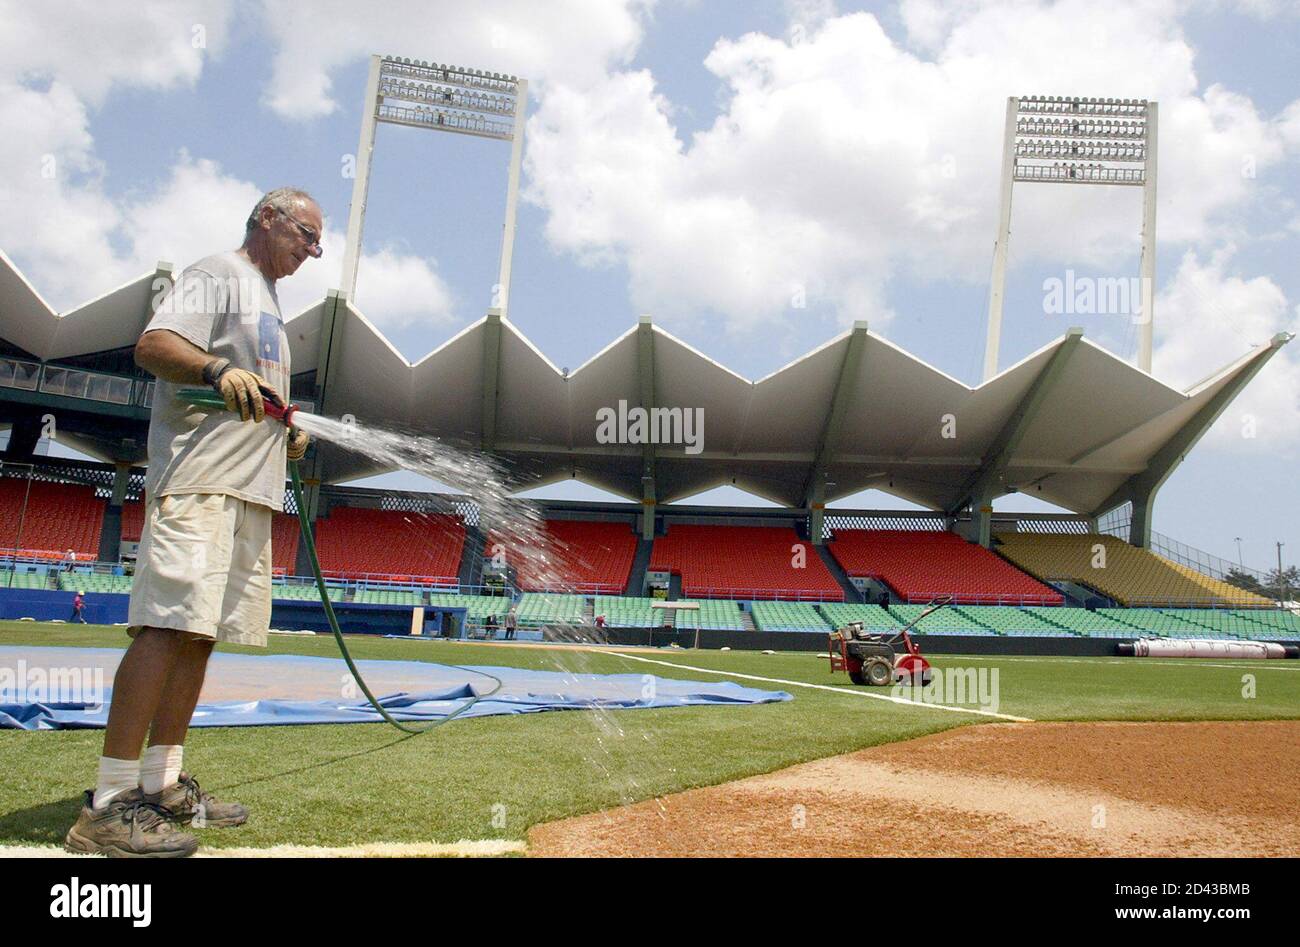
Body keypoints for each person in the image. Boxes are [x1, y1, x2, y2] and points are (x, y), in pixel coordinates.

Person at [63, 188, 321, 858]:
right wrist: (212, 365)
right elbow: (155, 345)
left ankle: (162, 784)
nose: (311, 250)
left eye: (317, 243)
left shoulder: (268, 298)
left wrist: (284, 429)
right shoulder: (218, 273)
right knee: (167, 625)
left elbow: (249, 392)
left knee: (199, 636)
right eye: (304, 233)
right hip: (201, 481)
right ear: (267, 217)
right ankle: (110, 804)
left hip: (247, 489)